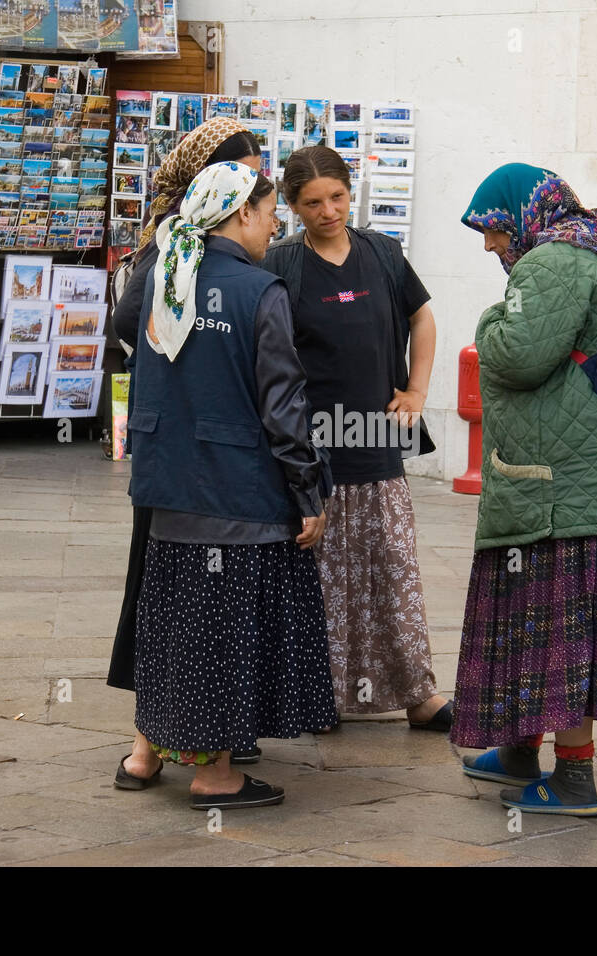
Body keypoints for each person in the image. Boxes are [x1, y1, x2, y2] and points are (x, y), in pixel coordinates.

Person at [121, 161, 336, 809]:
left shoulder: (165, 273)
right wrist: (309, 493)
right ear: (241, 213)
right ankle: (216, 775)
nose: (276, 227)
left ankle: (143, 756)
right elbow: (285, 408)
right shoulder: (260, 291)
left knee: (169, 628)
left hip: (166, 490)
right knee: (220, 636)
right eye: (271, 213)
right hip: (236, 495)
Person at [452, 163, 597, 816]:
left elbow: (517, 354)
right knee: (542, 622)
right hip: (594, 485)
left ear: (520, 214)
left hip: (563, 493)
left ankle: (572, 778)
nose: (489, 245)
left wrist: (488, 323)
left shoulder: (553, 261)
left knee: (559, 630)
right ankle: (520, 750)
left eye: (491, 229)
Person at [262, 146, 449, 730]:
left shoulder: (383, 254)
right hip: (311, 452)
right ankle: (323, 698)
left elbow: (422, 317)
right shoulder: (279, 264)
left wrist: (416, 390)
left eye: (338, 197)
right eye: (312, 203)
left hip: (377, 443)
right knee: (321, 580)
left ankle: (419, 695)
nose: (329, 211)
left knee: (393, 571)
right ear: (291, 207)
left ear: (352, 191)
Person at [108, 119, 264, 784]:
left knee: (162, 600)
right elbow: (126, 323)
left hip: (167, 451)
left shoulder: (181, 239)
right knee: (171, 602)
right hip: (190, 462)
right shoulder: (181, 241)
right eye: (247, 169)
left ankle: (155, 750)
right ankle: (156, 749)